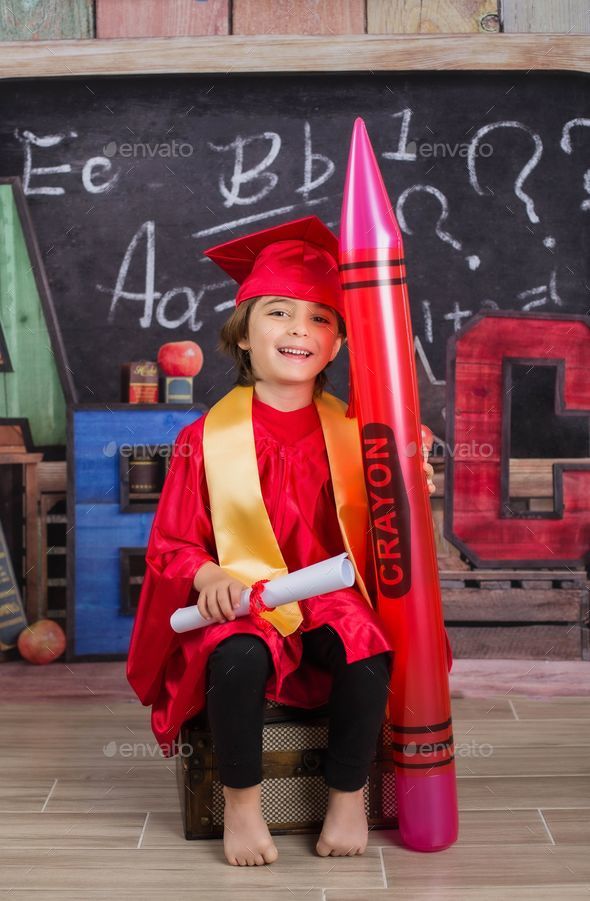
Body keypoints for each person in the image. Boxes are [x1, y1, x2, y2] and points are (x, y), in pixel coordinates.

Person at [126, 215, 438, 867]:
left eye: (321, 318)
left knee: (366, 646)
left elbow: (389, 538)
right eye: (279, 311)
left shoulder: (359, 434)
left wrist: (410, 485)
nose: (300, 329)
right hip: (246, 598)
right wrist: (210, 577)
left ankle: (347, 793)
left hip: (329, 593)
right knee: (234, 658)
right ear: (244, 333)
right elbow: (174, 544)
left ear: (339, 343)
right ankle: (241, 803)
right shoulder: (203, 439)